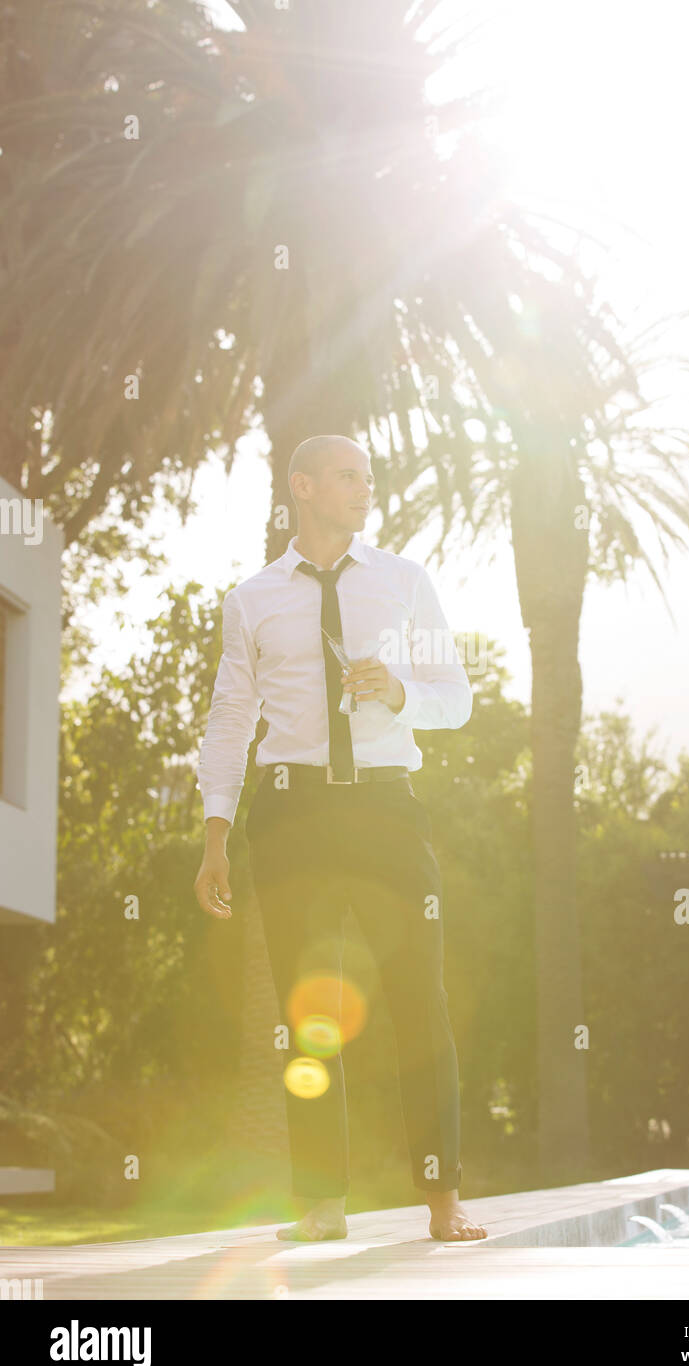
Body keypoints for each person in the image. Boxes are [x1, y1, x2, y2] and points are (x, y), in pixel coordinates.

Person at [193, 434, 487, 1243]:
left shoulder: (403, 582)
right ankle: (322, 1204)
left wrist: (398, 691)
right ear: (304, 487)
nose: (366, 489)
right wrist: (215, 832)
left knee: (417, 1002)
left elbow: (456, 699)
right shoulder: (253, 598)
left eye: (368, 476)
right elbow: (230, 719)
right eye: (350, 476)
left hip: (389, 813)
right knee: (307, 1015)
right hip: (291, 818)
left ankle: (442, 1199)